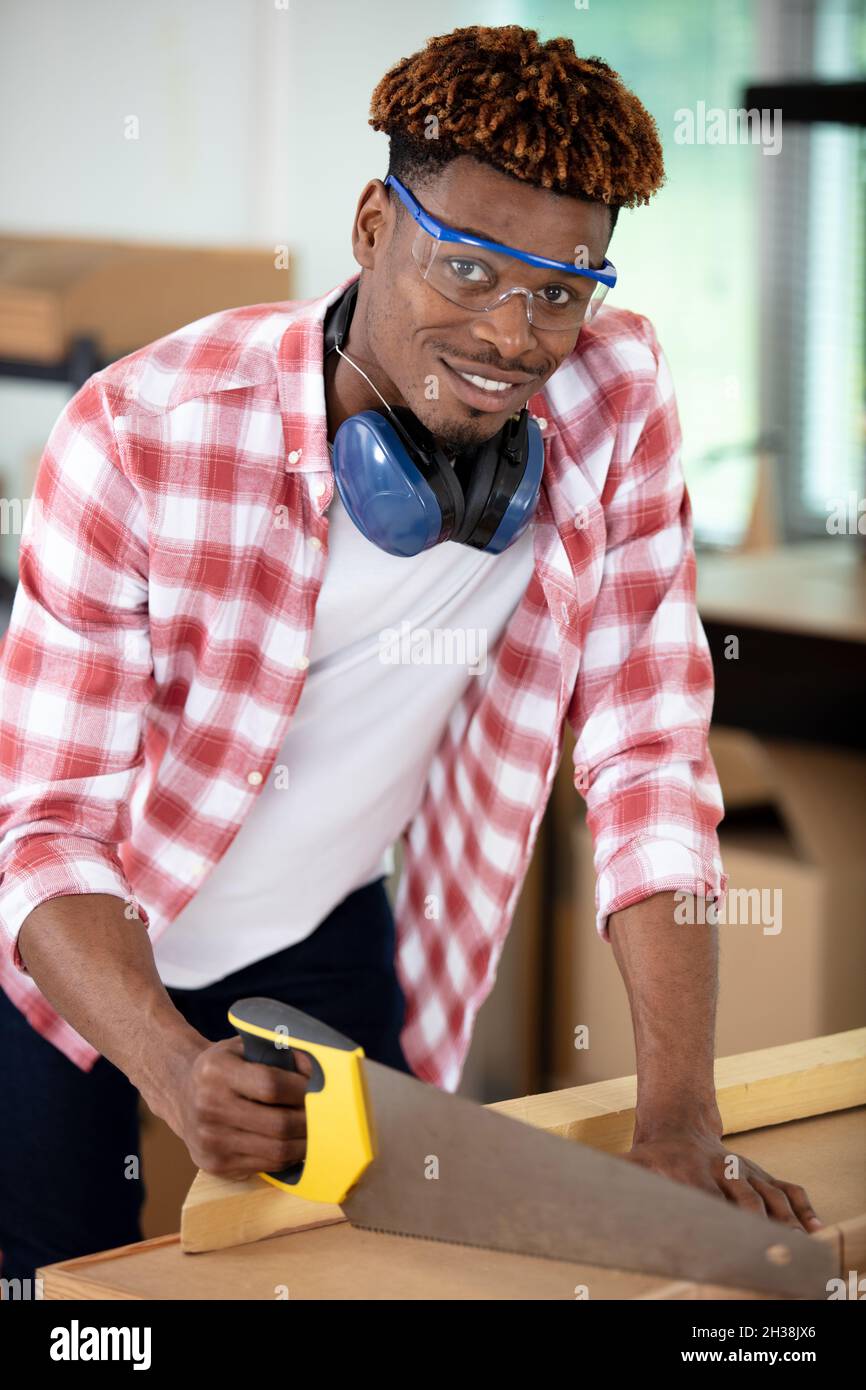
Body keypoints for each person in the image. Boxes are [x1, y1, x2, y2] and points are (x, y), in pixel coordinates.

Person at [0, 24, 822, 1287]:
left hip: (318, 918)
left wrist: (676, 1116)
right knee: (70, 1292)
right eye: (470, 271)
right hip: (77, 943)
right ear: (372, 227)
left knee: (367, 1274)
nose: (512, 335)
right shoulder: (137, 436)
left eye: (560, 288)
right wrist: (167, 1064)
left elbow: (648, 753)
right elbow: (46, 828)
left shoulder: (610, 400)